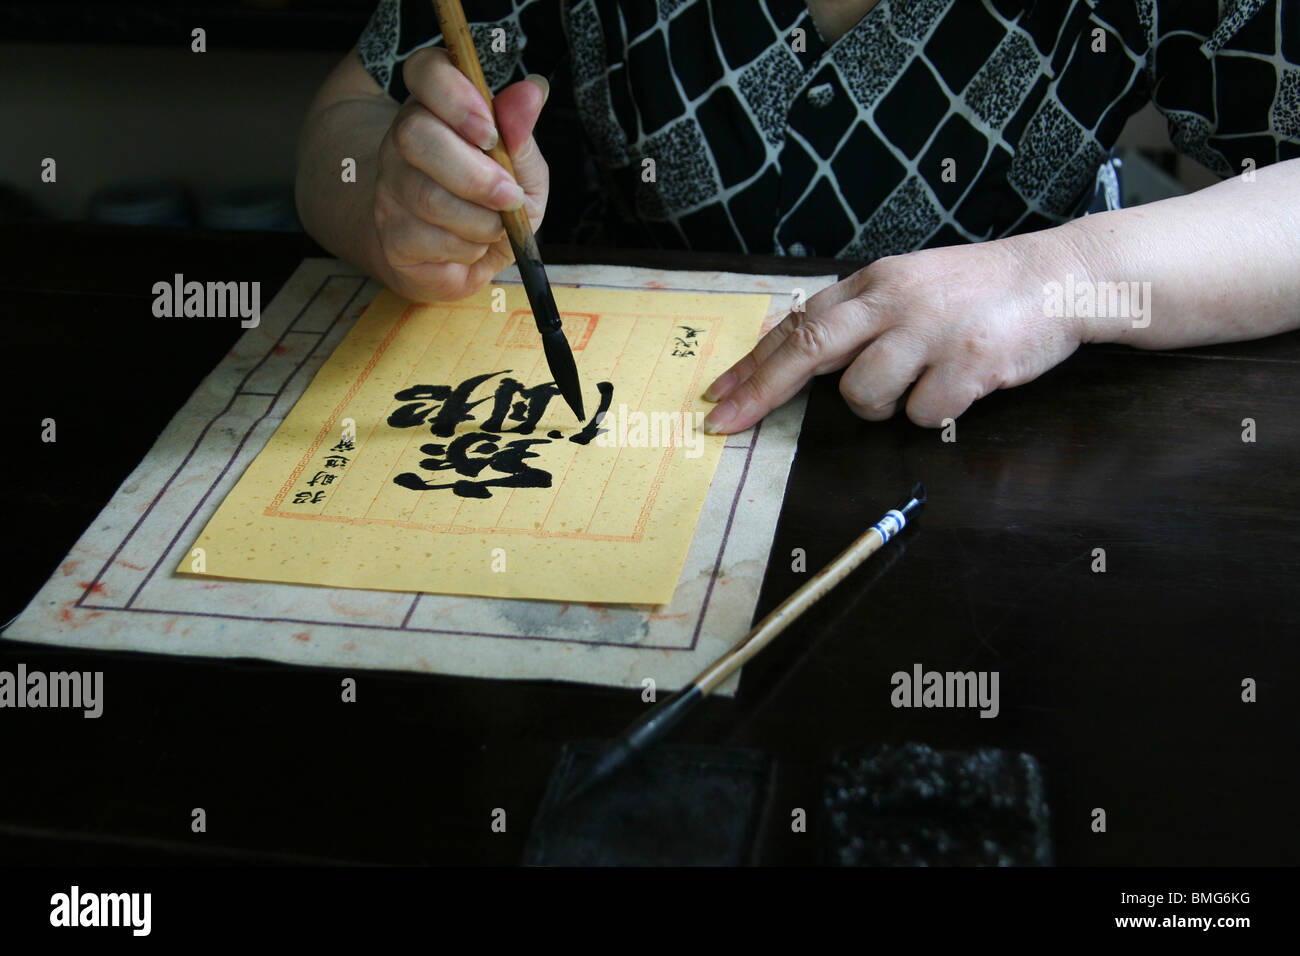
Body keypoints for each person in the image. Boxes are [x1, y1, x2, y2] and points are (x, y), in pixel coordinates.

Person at [295, 0, 1300, 434]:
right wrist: (390, 190)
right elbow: (341, 125)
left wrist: (1059, 276)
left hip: (1006, 445)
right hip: (640, 409)